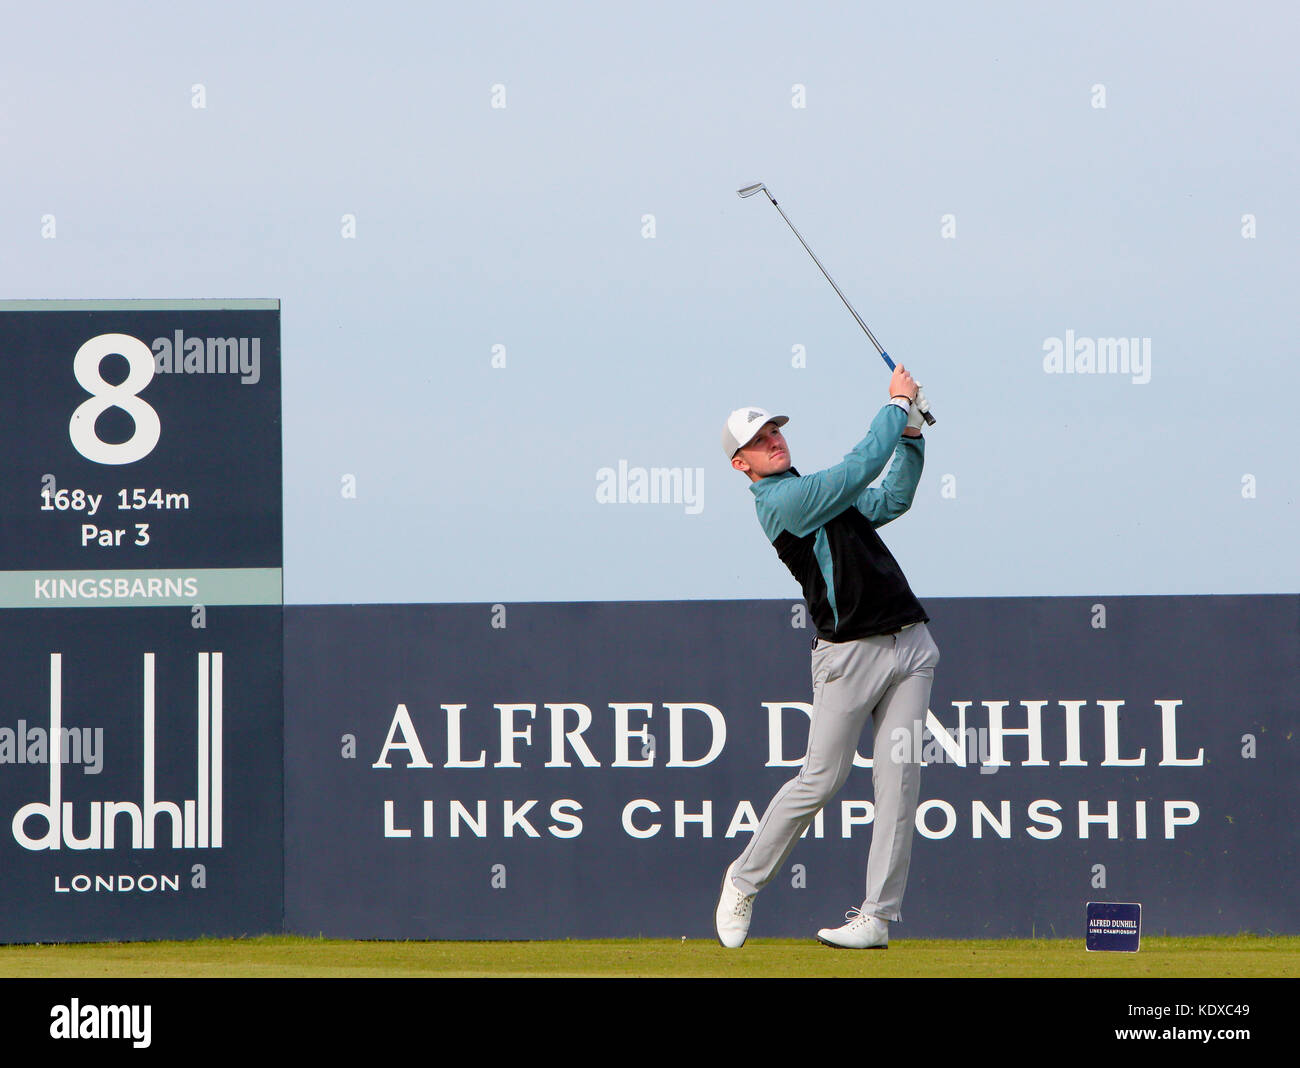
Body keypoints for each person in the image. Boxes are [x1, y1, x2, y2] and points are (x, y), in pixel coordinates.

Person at [715, 366, 939, 949]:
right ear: (742, 464)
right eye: (759, 440)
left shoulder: (819, 490)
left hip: (910, 644)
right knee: (820, 780)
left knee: (899, 784)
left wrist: (912, 437)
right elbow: (860, 467)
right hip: (848, 657)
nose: (773, 440)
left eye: (774, 431)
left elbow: (890, 497)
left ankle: (877, 919)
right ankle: (742, 881)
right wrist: (895, 408)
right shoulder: (785, 503)